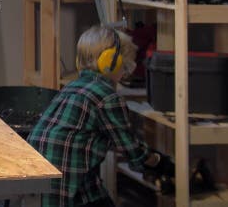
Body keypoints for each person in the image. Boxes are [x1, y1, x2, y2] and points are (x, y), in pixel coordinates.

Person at [27, 25, 172, 207]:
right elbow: (133, 153)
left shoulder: (72, 87)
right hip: (67, 190)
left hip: (40, 188)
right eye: (126, 65)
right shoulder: (107, 96)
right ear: (110, 62)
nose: (128, 72)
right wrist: (162, 163)